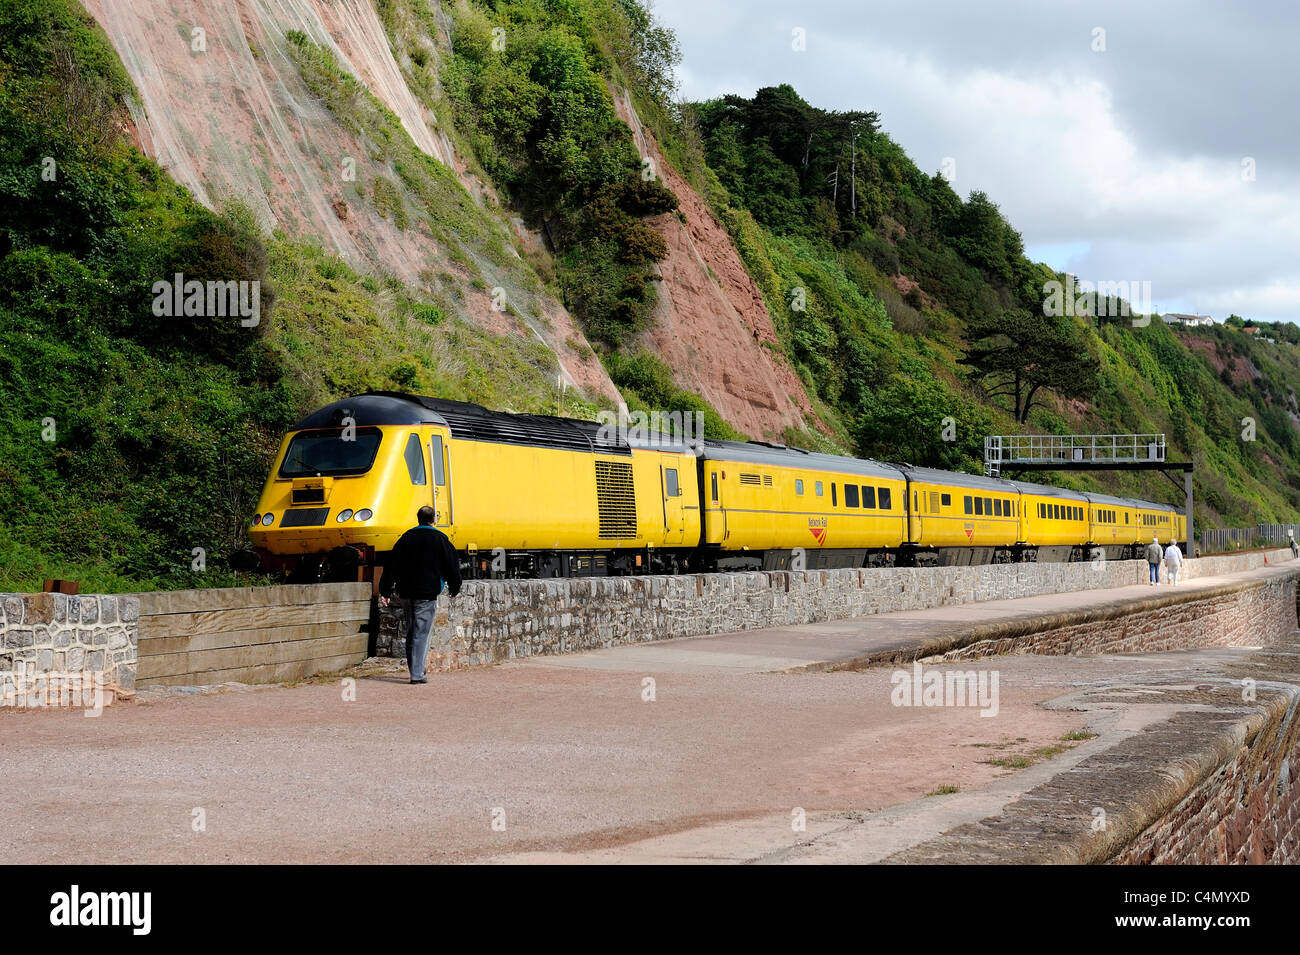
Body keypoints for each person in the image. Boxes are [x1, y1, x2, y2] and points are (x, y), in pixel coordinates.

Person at [378, 505, 462, 683]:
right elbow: (452, 565)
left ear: (418, 518)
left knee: (411, 631)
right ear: (434, 519)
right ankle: (417, 674)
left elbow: (391, 566)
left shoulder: (405, 539)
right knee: (421, 633)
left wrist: (385, 590)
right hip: (427, 593)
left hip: (406, 592)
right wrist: (455, 587)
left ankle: (416, 669)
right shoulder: (440, 539)